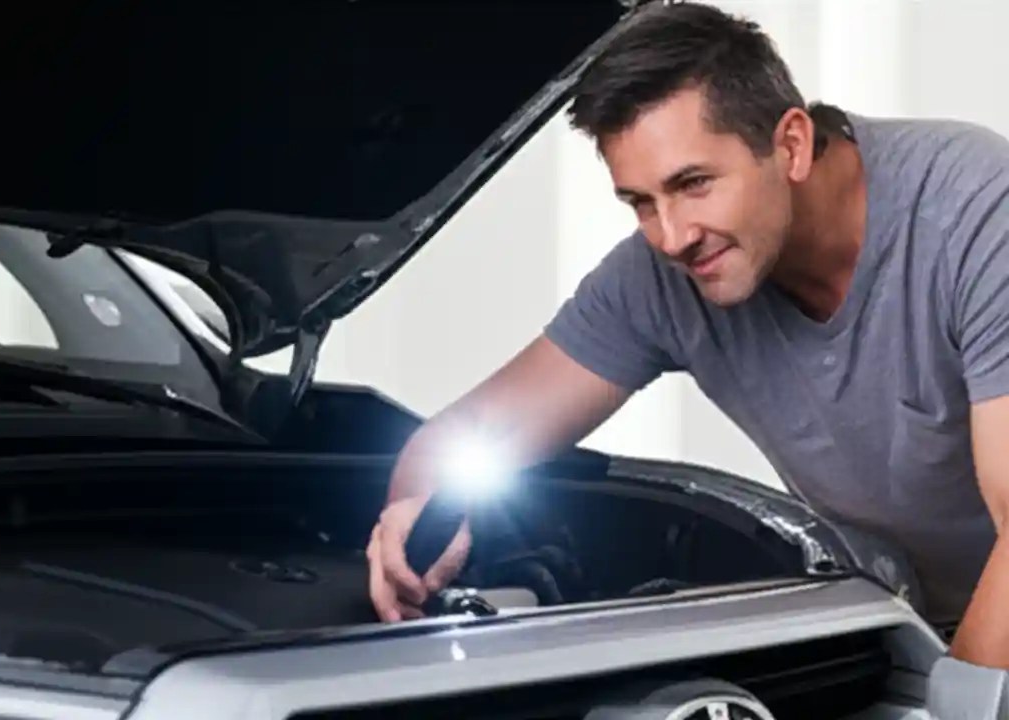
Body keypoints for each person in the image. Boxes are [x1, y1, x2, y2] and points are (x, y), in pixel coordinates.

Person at [364, 0, 1009, 669]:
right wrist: (415, 516)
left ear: (790, 145)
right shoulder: (665, 275)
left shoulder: (976, 208)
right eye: (640, 202)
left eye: (693, 183)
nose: (671, 236)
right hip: (926, 633)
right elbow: (466, 435)